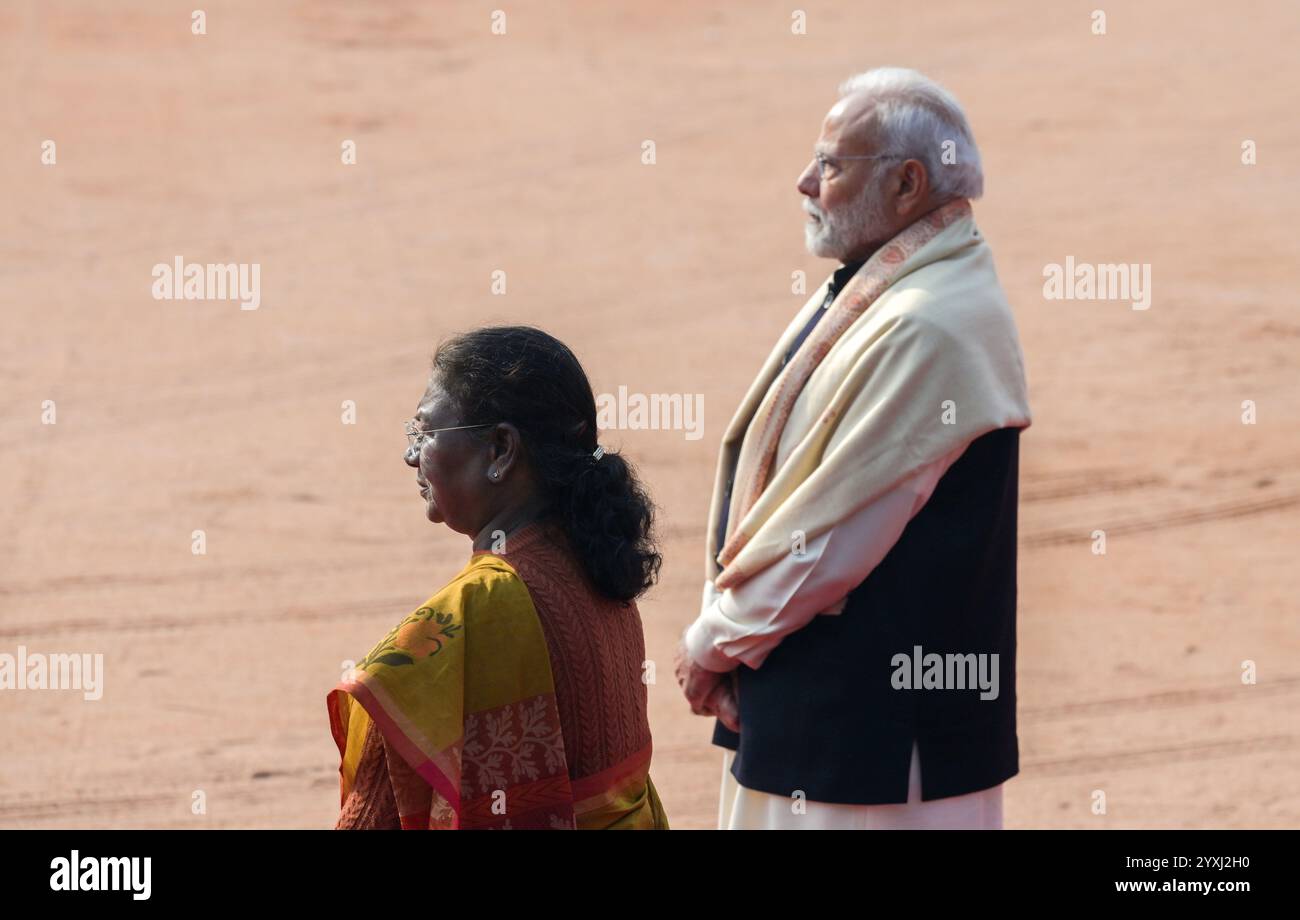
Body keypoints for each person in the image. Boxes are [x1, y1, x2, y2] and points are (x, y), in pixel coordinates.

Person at [675, 67, 1033, 829]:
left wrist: (717, 640)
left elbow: (834, 533)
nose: (805, 182)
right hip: (825, 717)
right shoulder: (888, 283)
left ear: (908, 183)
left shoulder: (927, 321)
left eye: (832, 165)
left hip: (874, 745)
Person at [329, 325, 669, 829]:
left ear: (501, 450)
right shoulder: (600, 565)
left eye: (423, 434)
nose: (410, 456)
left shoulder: (472, 612)